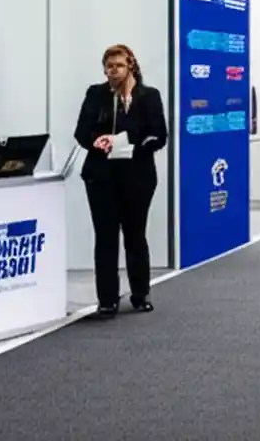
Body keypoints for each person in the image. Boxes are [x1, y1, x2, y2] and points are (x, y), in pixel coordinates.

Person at [74, 44, 168, 317]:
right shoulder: (95, 94)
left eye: (118, 66)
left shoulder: (148, 96)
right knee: (105, 237)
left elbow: (159, 135)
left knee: (135, 235)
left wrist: (132, 143)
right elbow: (81, 131)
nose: (112, 72)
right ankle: (107, 299)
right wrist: (96, 140)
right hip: (101, 174)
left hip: (137, 174)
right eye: (108, 66)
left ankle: (140, 293)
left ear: (131, 66)